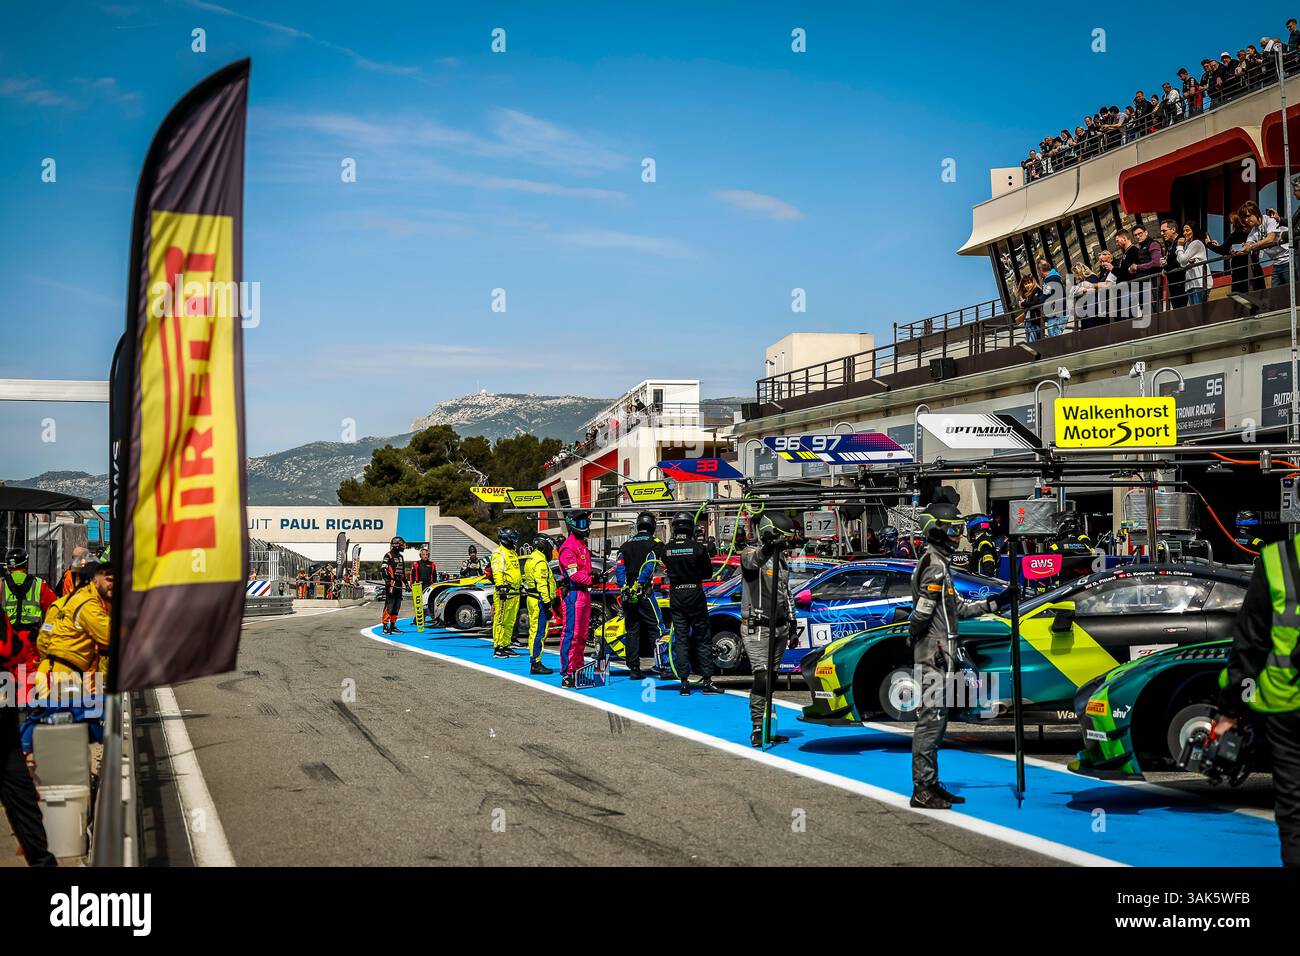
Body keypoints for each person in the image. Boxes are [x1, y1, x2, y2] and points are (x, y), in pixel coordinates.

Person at [907, 499, 1014, 810]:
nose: (958, 537)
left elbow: (958, 610)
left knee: (938, 723)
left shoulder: (940, 564)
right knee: (930, 722)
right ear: (937, 531)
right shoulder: (934, 567)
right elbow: (922, 613)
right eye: (953, 530)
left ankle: (931, 782)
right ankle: (922, 789)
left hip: (943, 653)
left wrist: (997, 602)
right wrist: (918, 636)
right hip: (934, 656)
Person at [1214, 533, 1300, 866]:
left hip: (1287, 706)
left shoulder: (1278, 560)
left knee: (1294, 814)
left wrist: (1230, 711)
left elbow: (1249, 644)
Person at [739, 511, 799, 746]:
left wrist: (793, 624)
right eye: (783, 538)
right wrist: (768, 548)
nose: (788, 543)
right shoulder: (750, 553)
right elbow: (753, 562)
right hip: (757, 626)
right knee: (762, 678)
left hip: (780, 627)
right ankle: (756, 726)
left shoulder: (782, 561)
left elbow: (787, 593)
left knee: (772, 679)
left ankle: (768, 724)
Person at [35, 559, 112, 697]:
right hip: (68, 676)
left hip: (49, 672)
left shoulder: (59, 604)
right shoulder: (89, 604)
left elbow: (43, 641)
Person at [663, 512, 720, 696]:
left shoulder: (667, 549)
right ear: (690, 527)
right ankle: (707, 680)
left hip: (676, 594)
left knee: (681, 638)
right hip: (694, 592)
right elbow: (708, 573)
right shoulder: (697, 548)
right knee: (702, 637)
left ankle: (684, 682)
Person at [614, 512, 666, 681]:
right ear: (652, 526)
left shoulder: (625, 545)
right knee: (657, 627)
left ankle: (634, 669)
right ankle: (662, 665)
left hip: (627, 594)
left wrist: (623, 586)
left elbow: (619, 568)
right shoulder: (655, 544)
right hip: (643, 592)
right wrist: (639, 584)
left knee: (632, 631)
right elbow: (650, 565)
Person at [1, 549, 58, 682]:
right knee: (27, 677)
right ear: (26, 564)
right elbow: (55, 609)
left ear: (8, 566)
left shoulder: (1, 584)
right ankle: (24, 701)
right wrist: (47, 631)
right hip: (30, 639)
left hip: (6, 639)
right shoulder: (39, 584)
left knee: (5, 675)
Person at [557, 511, 593, 686]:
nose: (585, 525)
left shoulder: (582, 545)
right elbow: (573, 574)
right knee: (572, 634)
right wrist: (592, 578)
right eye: (581, 522)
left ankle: (578, 668)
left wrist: (594, 576)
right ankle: (568, 673)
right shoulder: (568, 547)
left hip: (584, 593)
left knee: (582, 635)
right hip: (573, 594)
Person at [522, 535, 557, 675]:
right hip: (539, 601)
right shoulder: (540, 562)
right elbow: (542, 584)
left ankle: (535, 660)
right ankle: (535, 663)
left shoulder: (531, 558)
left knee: (534, 631)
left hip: (533, 599)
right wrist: (548, 604)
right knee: (539, 632)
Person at [1239, 200, 1291, 288]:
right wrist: (1238, 250)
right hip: (1277, 263)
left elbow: (1270, 238)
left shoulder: (1269, 220)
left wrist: (1254, 245)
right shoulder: (1254, 230)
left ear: (1256, 213)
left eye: (1248, 216)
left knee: (1293, 292)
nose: (1246, 220)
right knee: (1275, 295)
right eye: (1244, 218)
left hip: (1289, 260)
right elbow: (1248, 245)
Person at [489, 528, 522, 659]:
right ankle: (498, 647)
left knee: (510, 620)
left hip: (515, 592)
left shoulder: (513, 553)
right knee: (501, 619)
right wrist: (501, 586)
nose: (515, 542)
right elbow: (497, 571)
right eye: (513, 539)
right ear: (506, 539)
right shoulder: (499, 553)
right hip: (504, 592)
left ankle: (506, 645)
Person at [1176, 223, 1211, 306]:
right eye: (1184, 231)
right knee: (1194, 312)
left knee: (1199, 311)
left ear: (1193, 231)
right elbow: (1181, 262)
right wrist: (1181, 250)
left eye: (1187, 230)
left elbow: (1183, 260)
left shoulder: (1196, 243)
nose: (1185, 233)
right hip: (1191, 283)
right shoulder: (1188, 244)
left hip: (1199, 282)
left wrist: (1179, 247)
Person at [379, 537, 406, 635]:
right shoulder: (388, 555)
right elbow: (383, 568)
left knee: (397, 605)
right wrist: (387, 580)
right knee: (389, 604)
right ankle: (385, 626)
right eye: (402, 544)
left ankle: (393, 625)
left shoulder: (401, 557)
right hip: (391, 583)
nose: (403, 546)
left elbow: (402, 572)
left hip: (398, 584)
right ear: (396, 545)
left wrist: (406, 584)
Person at [408, 546, 437, 631]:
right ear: (420, 555)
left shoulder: (432, 564)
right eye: (423, 554)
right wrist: (411, 584)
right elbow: (412, 575)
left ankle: (431, 618)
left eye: (426, 554)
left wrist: (434, 584)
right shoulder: (416, 564)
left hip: (428, 586)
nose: (425, 556)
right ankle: (418, 620)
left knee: (429, 603)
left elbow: (434, 576)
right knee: (419, 604)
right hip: (418, 586)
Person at [1159, 220, 1187, 309]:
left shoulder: (1181, 240)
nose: (1162, 233)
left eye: (1164, 231)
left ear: (1173, 229)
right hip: (1173, 284)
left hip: (1181, 283)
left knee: (1183, 310)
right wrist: (1164, 264)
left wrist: (1166, 265)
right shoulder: (1169, 244)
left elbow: (1180, 261)